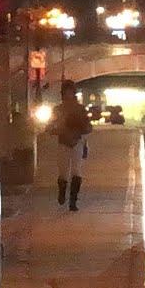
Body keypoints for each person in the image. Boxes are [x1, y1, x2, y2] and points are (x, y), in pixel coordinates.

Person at [51, 80, 92, 211]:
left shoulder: (80, 109)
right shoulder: (58, 109)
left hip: (77, 141)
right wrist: (54, 129)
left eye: (70, 91)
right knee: (63, 172)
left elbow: (87, 126)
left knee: (76, 171)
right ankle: (62, 192)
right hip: (63, 142)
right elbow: (52, 125)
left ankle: (73, 201)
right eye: (66, 91)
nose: (68, 94)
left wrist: (81, 127)